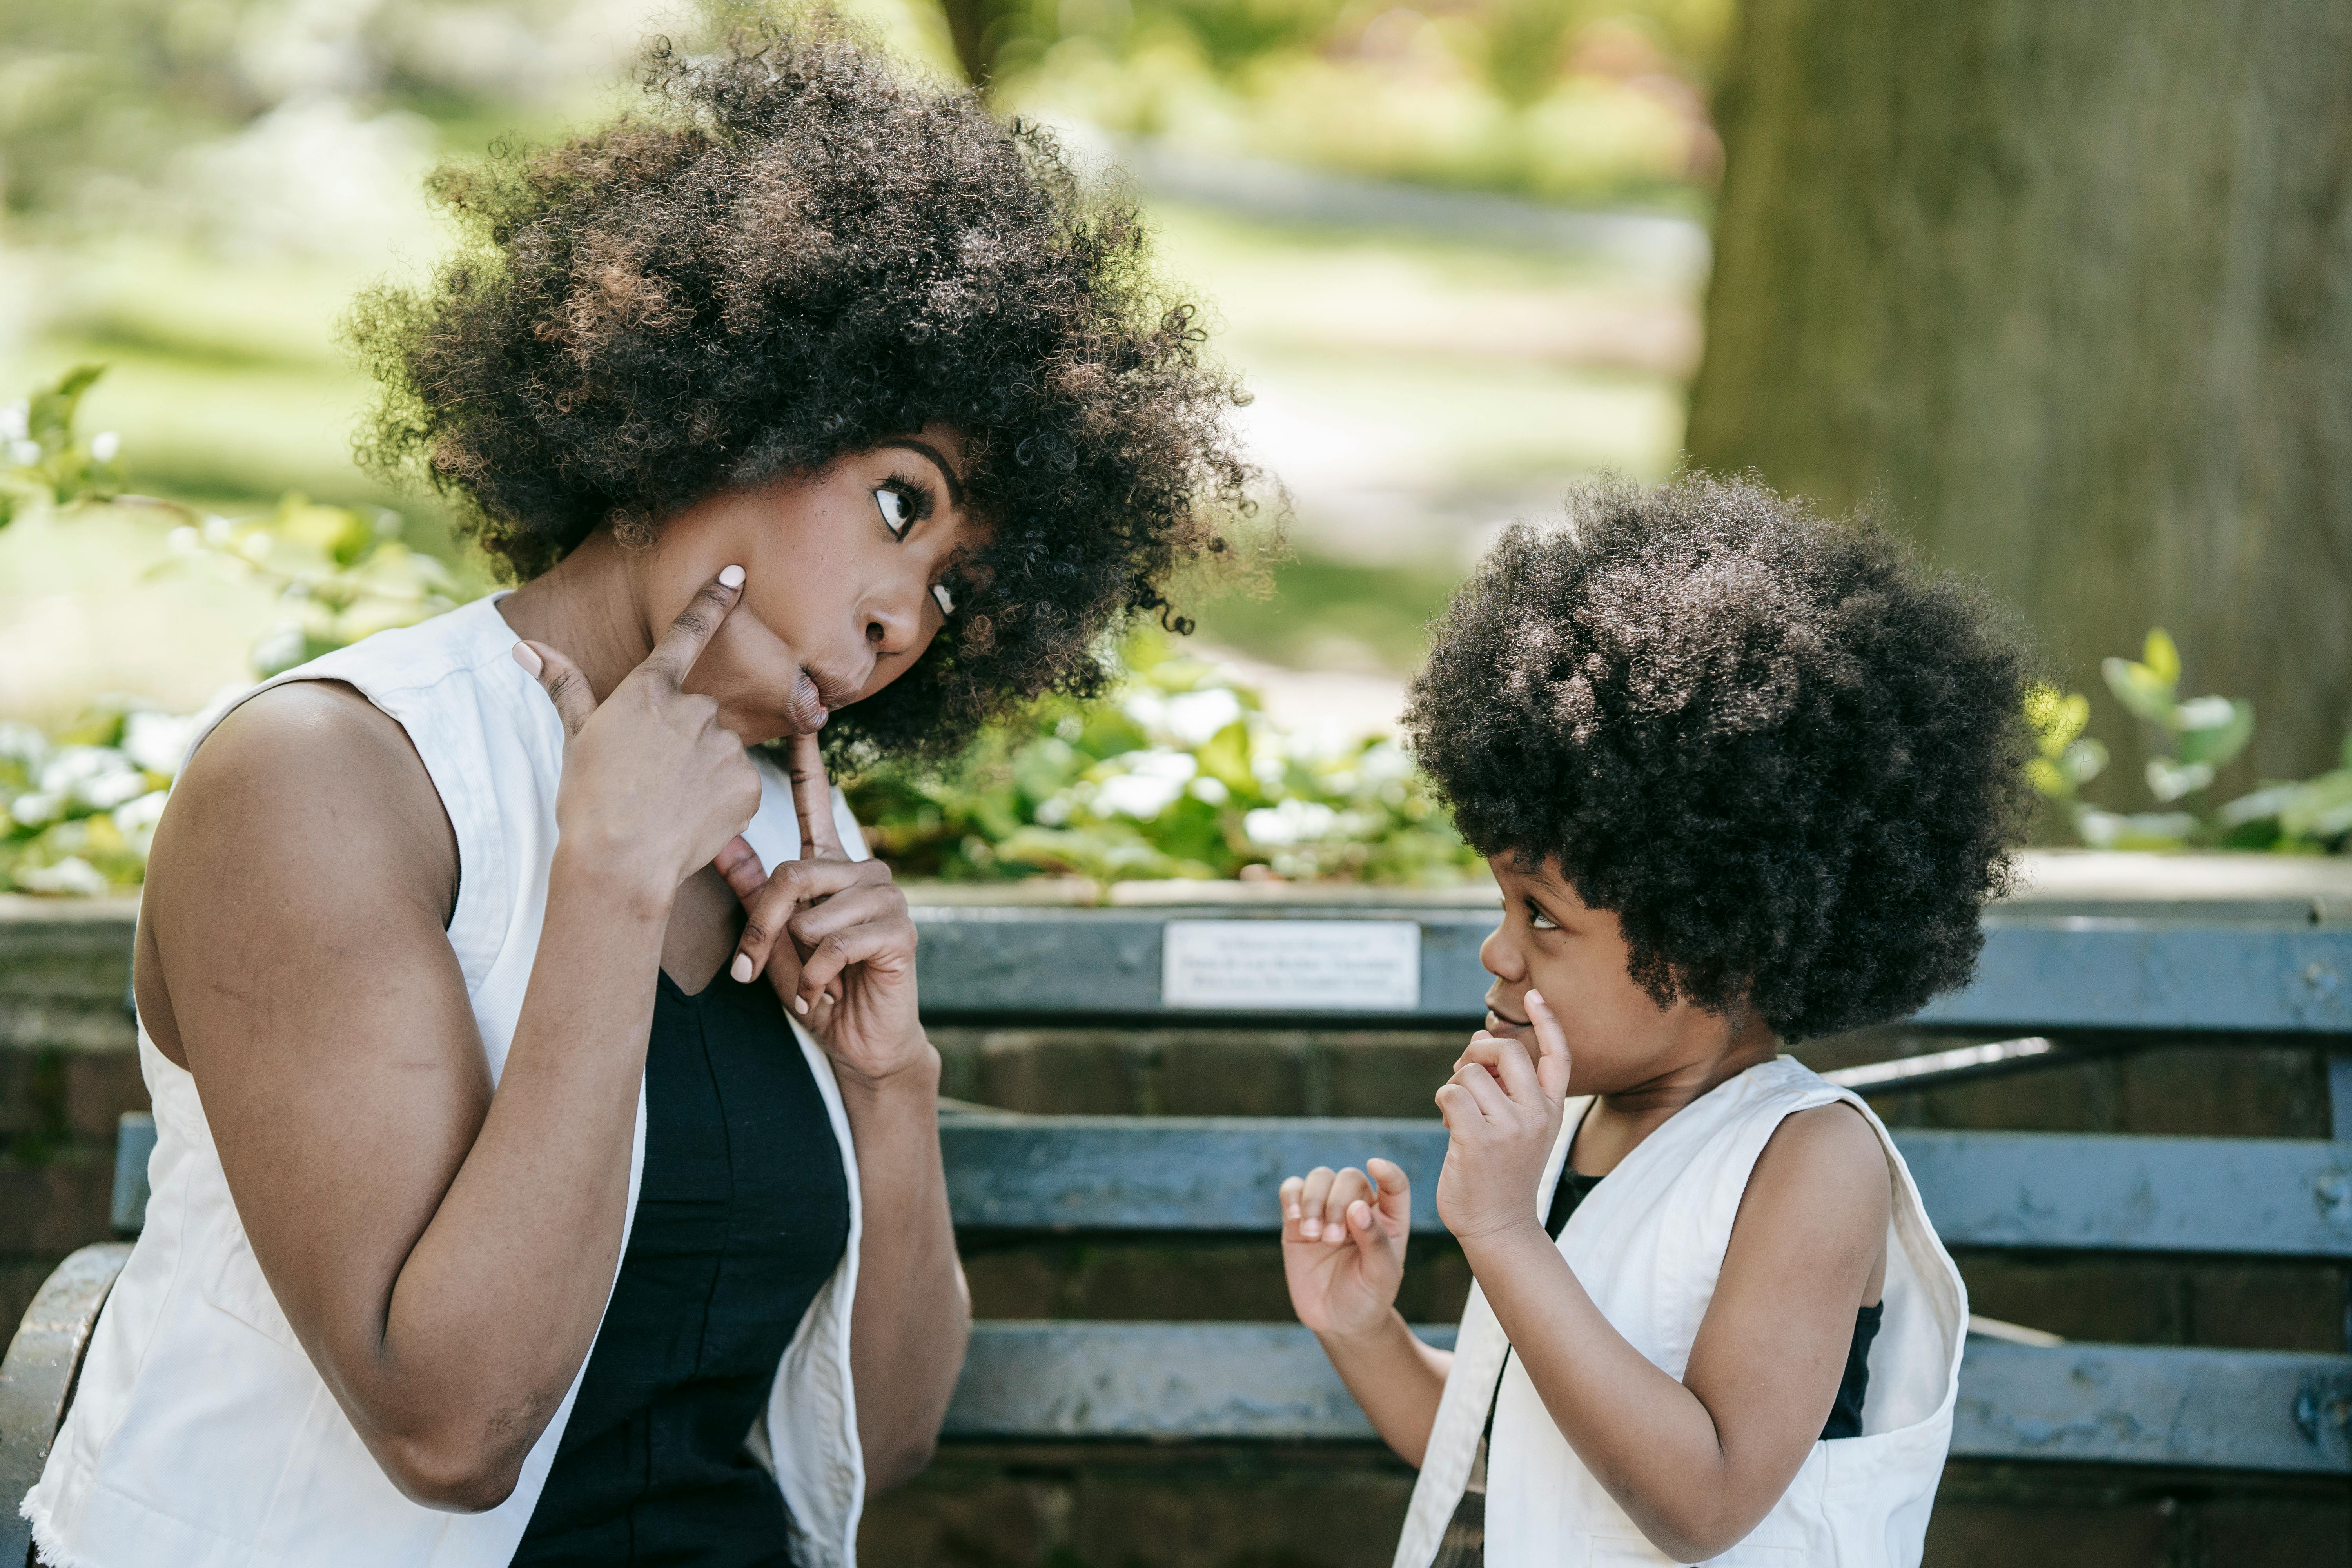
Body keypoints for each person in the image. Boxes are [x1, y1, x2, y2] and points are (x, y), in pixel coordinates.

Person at [23, 23, 1248, 1568]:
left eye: (956, 587)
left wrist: (889, 1083)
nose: (903, 618)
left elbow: (891, 1431)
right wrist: (602, 889)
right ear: (729, 401)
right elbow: (447, 1426)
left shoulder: (790, 841)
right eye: (897, 503)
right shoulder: (328, 780)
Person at [1277, 475, 2030, 1568]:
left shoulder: (1811, 1161)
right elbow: (1524, 1451)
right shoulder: (1570, 1130)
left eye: (1541, 916)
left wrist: (1500, 1236)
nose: (1497, 950)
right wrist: (1363, 1329)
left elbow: (1704, 1498)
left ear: (1711, 938)